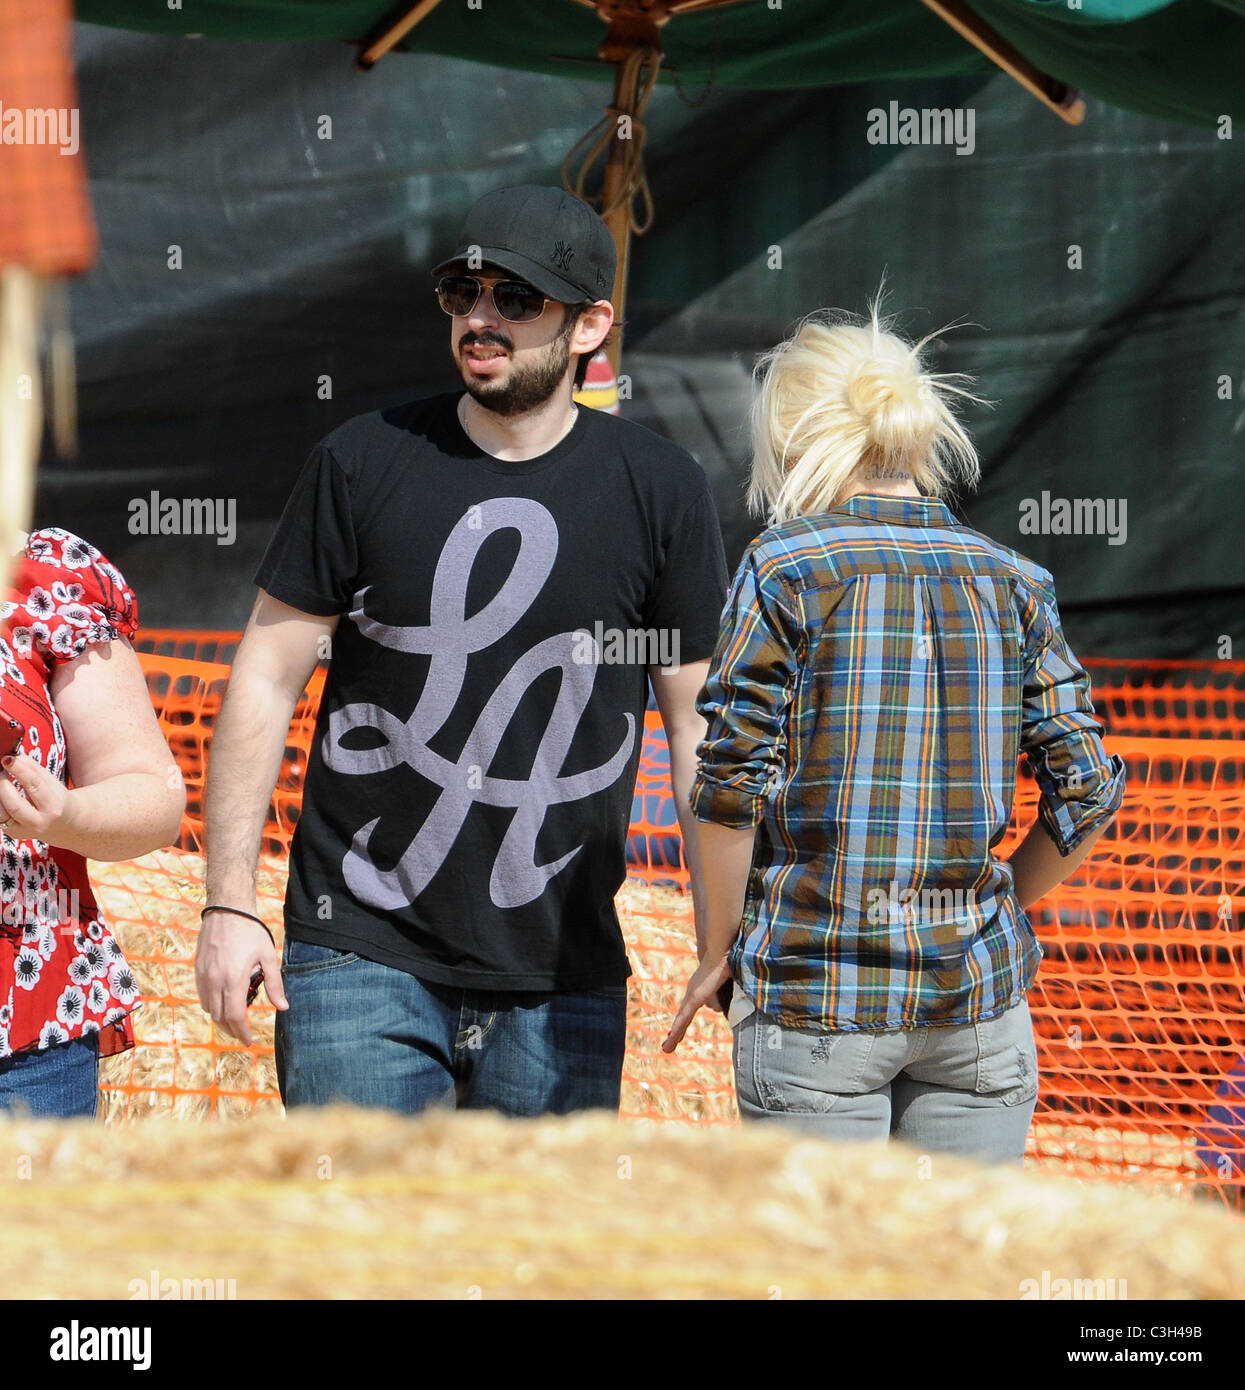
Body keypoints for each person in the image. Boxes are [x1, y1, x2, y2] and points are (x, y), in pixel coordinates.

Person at [197, 184, 729, 1116]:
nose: (481, 319)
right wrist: (227, 905)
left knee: (530, 1264)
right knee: (360, 1249)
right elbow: (266, 678)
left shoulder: (662, 489)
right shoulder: (361, 460)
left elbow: (697, 728)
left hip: (564, 976)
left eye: (516, 300)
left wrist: (721, 933)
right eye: (462, 292)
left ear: (591, 324)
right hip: (356, 952)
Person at [663, 304, 1126, 1164]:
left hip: (814, 1005)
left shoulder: (785, 565)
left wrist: (716, 952)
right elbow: (1090, 791)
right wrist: (987, 912)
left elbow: (728, 785)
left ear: (794, 441)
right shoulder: (1014, 579)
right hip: (979, 1016)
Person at [0, 527, 186, 1118]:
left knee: (34, 1214)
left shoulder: (44, 574)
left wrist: (64, 814)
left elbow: (153, 797)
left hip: (24, 1031)